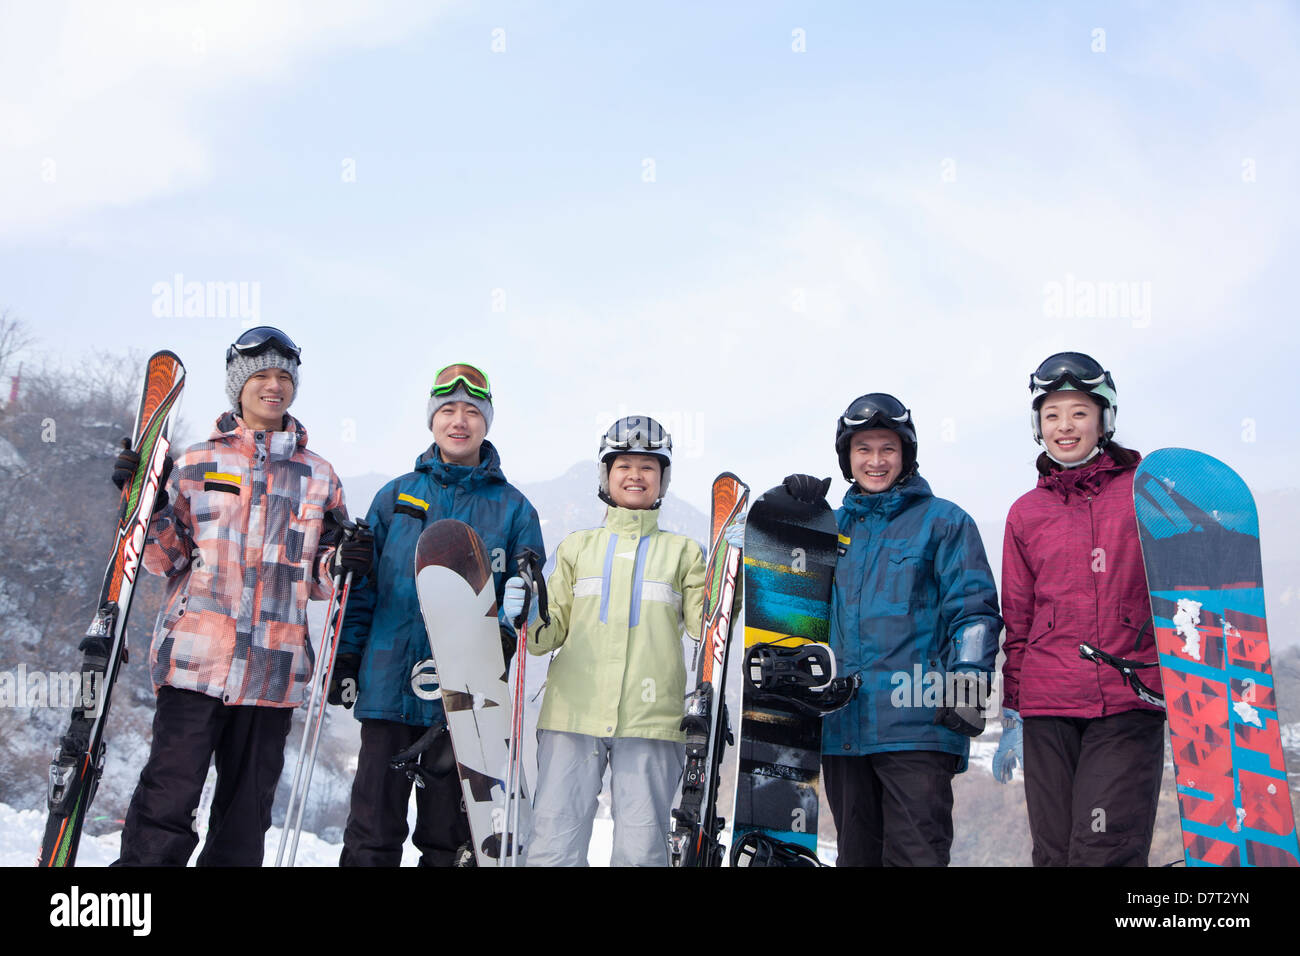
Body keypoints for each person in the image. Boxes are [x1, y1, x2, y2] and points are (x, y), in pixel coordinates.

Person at [115, 326, 371, 866]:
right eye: (261, 376)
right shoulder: (197, 462)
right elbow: (166, 559)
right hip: (195, 662)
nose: (274, 386)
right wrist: (146, 504)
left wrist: (344, 560)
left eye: (283, 376)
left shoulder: (319, 477)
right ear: (238, 386)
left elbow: (324, 579)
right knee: (168, 795)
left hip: (273, 670)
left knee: (245, 814)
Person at [334, 363, 543, 867]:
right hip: (388, 686)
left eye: (472, 411)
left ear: (486, 422)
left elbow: (532, 594)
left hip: (468, 702)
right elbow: (363, 590)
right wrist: (345, 660)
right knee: (371, 832)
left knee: (448, 841)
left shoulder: (515, 510)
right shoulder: (394, 497)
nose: (459, 420)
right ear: (432, 420)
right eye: (448, 410)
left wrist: (516, 617)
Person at [785, 393, 1001, 866]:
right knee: (856, 857)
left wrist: (967, 680)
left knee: (915, 856)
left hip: (916, 725)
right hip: (843, 725)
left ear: (906, 455)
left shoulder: (944, 522)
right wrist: (791, 526)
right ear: (847, 458)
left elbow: (975, 610)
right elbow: (790, 607)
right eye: (863, 449)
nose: (876, 461)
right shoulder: (831, 529)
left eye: (887, 448)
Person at [508, 415, 704, 867]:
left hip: (652, 720)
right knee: (553, 843)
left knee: (642, 851)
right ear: (606, 475)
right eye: (623, 465)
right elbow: (546, 634)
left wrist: (729, 591)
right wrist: (527, 612)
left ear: (662, 481)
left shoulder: (684, 552)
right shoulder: (578, 548)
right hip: (572, 714)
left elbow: (703, 626)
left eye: (648, 467)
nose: (635, 475)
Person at [995, 352, 1164, 867]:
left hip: (1128, 698)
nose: (1065, 426)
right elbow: (1017, 621)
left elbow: (1181, 584)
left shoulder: (1145, 494)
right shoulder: (1026, 513)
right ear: (1038, 427)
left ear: (1103, 421)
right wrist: (1013, 709)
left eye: (1079, 413)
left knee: (1104, 850)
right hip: (1048, 706)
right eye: (1052, 415)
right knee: (1054, 853)